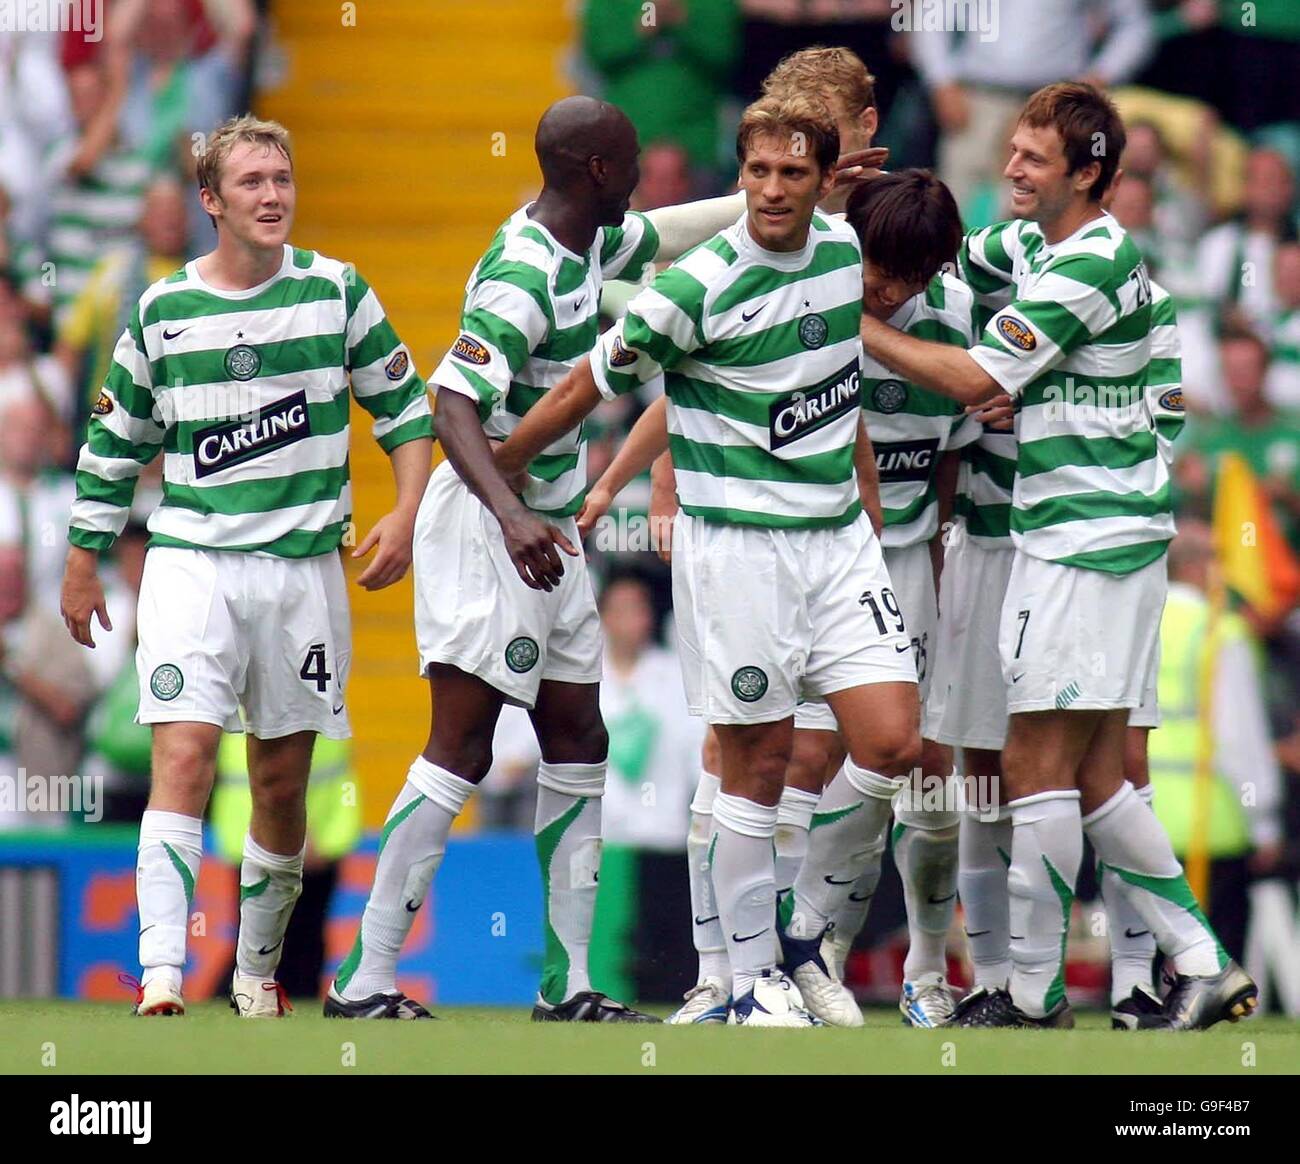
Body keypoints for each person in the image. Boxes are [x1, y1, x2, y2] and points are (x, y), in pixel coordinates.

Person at [325, 96, 783, 1023]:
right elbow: (450, 402)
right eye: (634, 158)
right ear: (596, 173)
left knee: (580, 736)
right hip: (492, 523)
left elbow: (655, 235)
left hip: (546, 523)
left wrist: (770, 202)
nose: (648, 168)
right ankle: (365, 977)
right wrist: (512, 517)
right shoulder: (526, 275)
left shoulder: (584, 240)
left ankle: (567, 983)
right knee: (460, 741)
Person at [497, 93, 921, 1027]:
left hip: (839, 544)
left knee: (893, 741)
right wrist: (505, 470)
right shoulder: (693, 288)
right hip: (740, 549)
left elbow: (836, 391)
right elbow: (588, 384)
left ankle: (801, 927)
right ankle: (747, 979)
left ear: (821, 183)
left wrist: (871, 508)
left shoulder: (846, 256)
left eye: (793, 173)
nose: (773, 189)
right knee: (757, 758)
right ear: (740, 177)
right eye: (758, 172)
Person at [857, 81, 1256, 1030]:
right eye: (1013, 153)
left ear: (1091, 173)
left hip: (1084, 542)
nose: (1010, 172)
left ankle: (1033, 996)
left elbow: (973, 374)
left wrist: (858, 326)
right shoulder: (1034, 244)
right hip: (1087, 541)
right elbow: (950, 270)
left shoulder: (1096, 261)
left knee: (1036, 765)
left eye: (1032, 159)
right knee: (1091, 776)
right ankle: (1199, 964)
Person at [60, 114, 433, 1018]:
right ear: (210, 201)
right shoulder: (161, 310)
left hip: (303, 570)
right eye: (252, 183)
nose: (272, 197)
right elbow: (114, 443)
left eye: (282, 179)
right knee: (183, 758)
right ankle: (157, 976)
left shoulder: (338, 292)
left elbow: (408, 411)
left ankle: (258, 972)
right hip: (192, 562)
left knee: (279, 783)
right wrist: (83, 560)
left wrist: (409, 511)